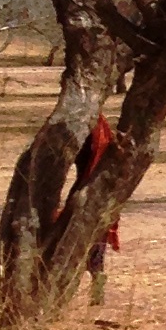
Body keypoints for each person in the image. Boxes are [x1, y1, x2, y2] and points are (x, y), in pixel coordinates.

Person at [63, 112, 124, 308]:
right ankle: (94, 287)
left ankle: (87, 290)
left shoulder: (93, 128)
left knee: (83, 244)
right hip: (92, 189)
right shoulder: (96, 126)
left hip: (91, 191)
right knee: (93, 243)